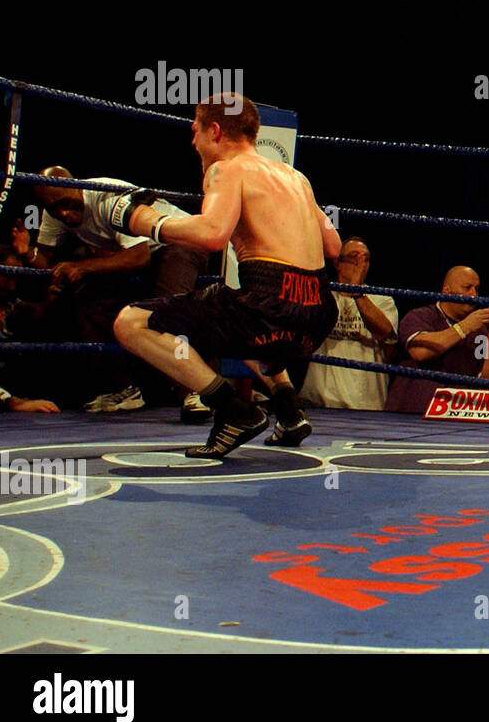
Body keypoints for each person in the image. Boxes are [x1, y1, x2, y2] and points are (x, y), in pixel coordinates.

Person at [112, 93, 340, 458]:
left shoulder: (226, 169)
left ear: (214, 131)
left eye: (195, 130)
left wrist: (148, 222)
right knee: (240, 318)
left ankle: (234, 411)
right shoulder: (298, 178)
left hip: (270, 305)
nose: (192, 141)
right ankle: (288, 410)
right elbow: (335, 247)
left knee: (130, 322)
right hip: (317, 314)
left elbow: (212, 235)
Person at [30, 165, 209, 419]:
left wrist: (82, 267)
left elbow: (139, 256)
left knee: (170, 311)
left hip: (179, 244)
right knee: (91, 299)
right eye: (53, 209)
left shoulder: (107, 196)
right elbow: (44, 260)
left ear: (76, 187)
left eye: (65, 204)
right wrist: (26, 253)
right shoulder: (55, 210)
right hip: (142, 256)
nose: (63, 213)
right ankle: (122, 389)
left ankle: (196, 389)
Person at [384, 266, 489, 414]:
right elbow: (420, 351)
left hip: (453, 416)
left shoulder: (479, 332)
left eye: (476, 289)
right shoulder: (420, 317)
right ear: (447, 290)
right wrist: (464, 327)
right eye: (467, 288)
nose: (474, 295)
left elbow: (487, 379)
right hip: (411, 411)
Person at [298, 237, 399, 411]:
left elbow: (385, 333)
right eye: (354, 258)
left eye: (365, 259)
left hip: (366, 403)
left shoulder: (382, 300)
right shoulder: (320, 296)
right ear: (337, 263)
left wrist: (357, 291)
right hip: (319, 401)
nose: (361, 265)